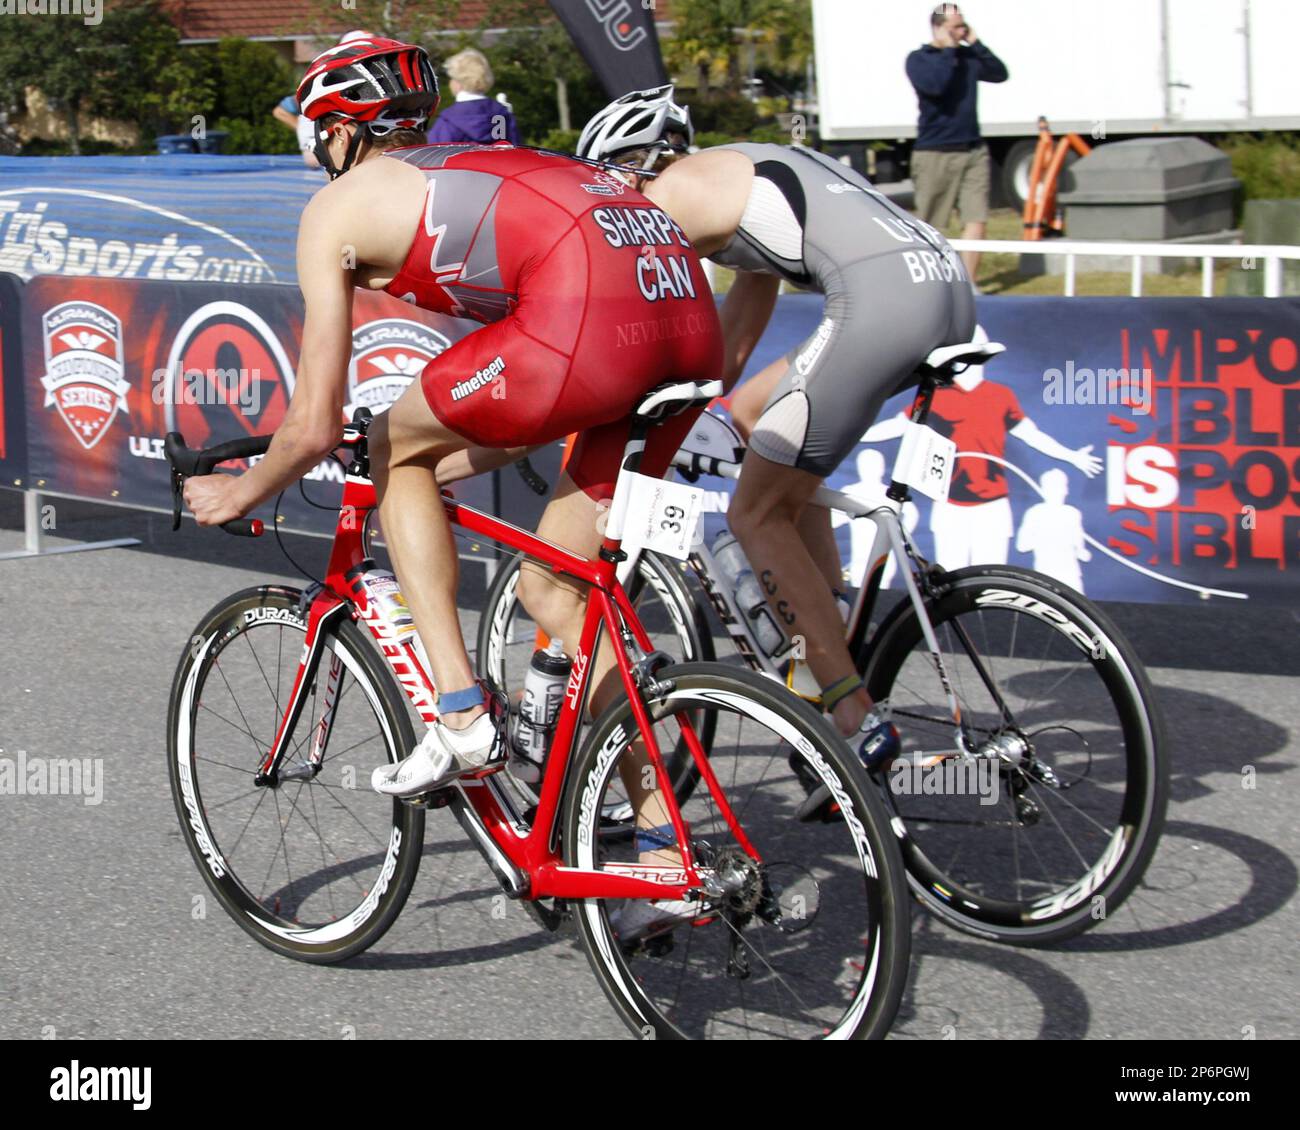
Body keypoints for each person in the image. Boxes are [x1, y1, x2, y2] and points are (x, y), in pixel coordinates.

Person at [181, 40, 721, 804]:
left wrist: (238, 492)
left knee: (390, 449)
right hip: (688, 324)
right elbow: (553, 383)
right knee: (557, 596)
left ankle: (462, 713)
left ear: (336, 132)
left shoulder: (338, 203)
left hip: (589, 333)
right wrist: (459, 457)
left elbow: (311, 428)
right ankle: (666, 843)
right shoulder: (492, 159)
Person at [543, 86, 975, 786]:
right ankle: (819, 622)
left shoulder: (667, 200)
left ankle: (851, 718)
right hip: (942, 284)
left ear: (626, 170)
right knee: (753, 420)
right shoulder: (736, 177)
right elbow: (729, 352)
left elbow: (636, 335)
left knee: (753, 509)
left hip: (887, 302)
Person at [864, 328, 1102, 569]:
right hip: (950, 505)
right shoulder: (938, 394)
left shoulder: (1000, 396)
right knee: (949, 579)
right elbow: (898, 426)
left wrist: (1071, 456)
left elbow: (1032, 435)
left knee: (990, 578)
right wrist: (853, 436)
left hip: (992, 506)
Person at [905, 4, 1008, 282]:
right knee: (931, 225)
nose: (961, 32)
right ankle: (932, 283)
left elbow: (1000, 73)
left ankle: (969, 284)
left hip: (973, 150)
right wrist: (948, 50)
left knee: (976, 218)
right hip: (935, 153)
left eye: (964, 26)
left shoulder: (968, 57)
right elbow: (936, 86)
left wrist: (975, 43)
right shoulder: (919, 59)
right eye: (956, 27)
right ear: (938, 27)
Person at [428, 48, 520, 145]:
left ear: (458, 82)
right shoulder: (502, 115)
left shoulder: (448, 121)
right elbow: (516, 152)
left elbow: (435, 157)